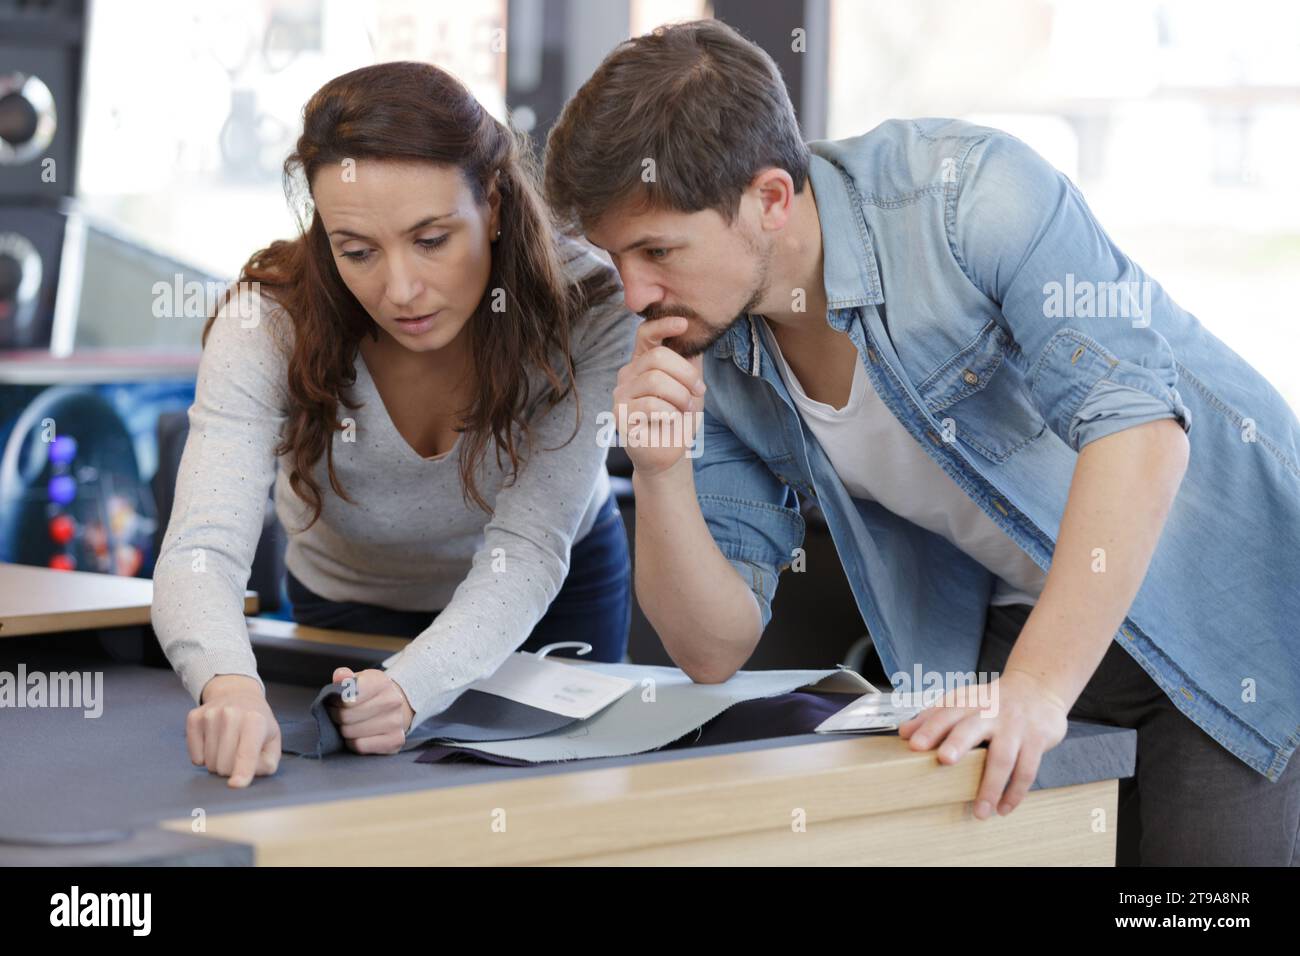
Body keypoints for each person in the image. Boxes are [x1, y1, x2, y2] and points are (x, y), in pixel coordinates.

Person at [542, 19, 1300, 865]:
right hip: (1020, 625)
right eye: (617, 258)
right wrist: (660, 466)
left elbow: (1141, 434)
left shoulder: (970, 194)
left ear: (769, 199)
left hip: (1213, 600)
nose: (636, 292)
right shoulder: (709, 343)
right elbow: (712, 648)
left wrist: (1038, 690)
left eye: (658, 250)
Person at [152, 61, 636, 788]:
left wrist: (416, 684)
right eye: (357, 251)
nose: (401, 289)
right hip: (349, 600)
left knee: (566, 815)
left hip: (551, 595)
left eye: (432, 239)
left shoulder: (589, 305)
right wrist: (228, 684)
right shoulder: (267, 322)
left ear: (495, 203)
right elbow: (201, 548)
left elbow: (530, 549)